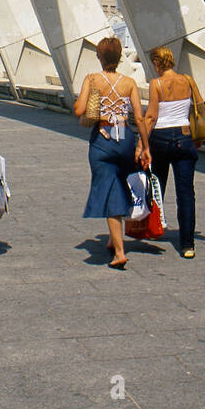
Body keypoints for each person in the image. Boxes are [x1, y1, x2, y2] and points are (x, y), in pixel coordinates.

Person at [73, 36, 150, 269]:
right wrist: (145, 146)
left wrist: (98, 111)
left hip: (102, 140)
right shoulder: (129, 82)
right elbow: (138, 116)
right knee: (120, 185)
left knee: (109, 192)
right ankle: (114, 238)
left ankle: (119, 251)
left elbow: (79, 109)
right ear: (119, 58)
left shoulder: (92, 79)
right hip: (125, 138)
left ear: (99, 56)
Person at [144, 46, 200, 258]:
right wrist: (198, 137)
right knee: (186, 193)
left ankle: (153, 229)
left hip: (160, 139)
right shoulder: (187, 80)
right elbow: (199, 107)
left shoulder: (156, 84)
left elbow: (151, 116)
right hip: (185, 137)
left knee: (156, 186)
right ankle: (187, 245)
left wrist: (142, 144)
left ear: (157, 63)